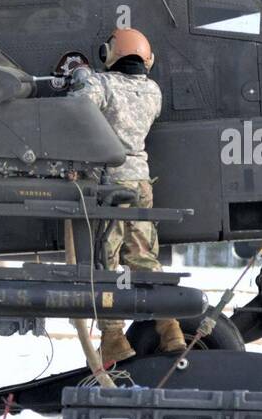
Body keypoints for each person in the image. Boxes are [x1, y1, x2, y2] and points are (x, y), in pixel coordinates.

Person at [67, 28, 186, 365]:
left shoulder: (102, 85)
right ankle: (170, 327)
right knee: (145, 257)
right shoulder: (153, 91)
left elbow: (76, 106)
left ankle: (114, 338)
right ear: (148, 60)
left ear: (110, 55)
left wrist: (80, 74)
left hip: (109, 185)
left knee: (108, 262)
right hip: (140, 182)